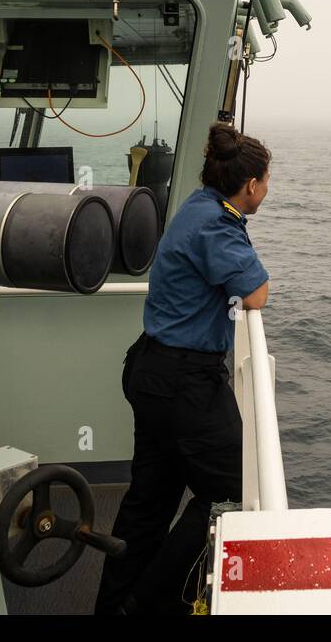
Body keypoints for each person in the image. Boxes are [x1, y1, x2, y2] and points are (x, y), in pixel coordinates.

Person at [94, 122, 271, 615]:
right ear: (251, 184)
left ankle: (114, 607)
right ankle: (149, 603)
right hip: (184, 383)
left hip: (152, 371)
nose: (267, 188)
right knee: (237, 490)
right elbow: (257, 293)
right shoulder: (217, 224)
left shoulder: (200, 205)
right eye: (267, 180)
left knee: (148, 506)